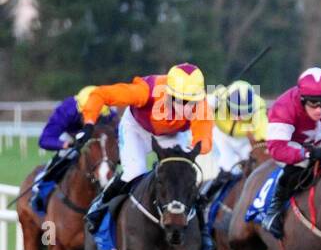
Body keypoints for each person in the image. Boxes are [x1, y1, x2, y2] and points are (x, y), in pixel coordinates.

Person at [83, 63, 212, 233]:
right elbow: (100, 94)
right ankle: (99, 207)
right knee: (134, 172)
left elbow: (203, 140)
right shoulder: (145, 91)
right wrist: (89, 121)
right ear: (168, 94)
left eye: (192, 102)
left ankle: (203, 231)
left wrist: (192, 151)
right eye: (181, 101)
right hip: (137, 129)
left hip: (172, 135)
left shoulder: (201, 104)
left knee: (183, 174)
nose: (188, 108)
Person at [260, 67, 321, 239]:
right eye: (313, 103)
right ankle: (274, 211)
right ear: (301, 99)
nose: (319, 110)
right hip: (291, 144)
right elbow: (277, 149)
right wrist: (307, 154)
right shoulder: (283, 107)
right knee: (300, 164)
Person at [30, 86, 118, 213]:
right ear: (81, 110)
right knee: (66, 155)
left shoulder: (108, 113)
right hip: (71, 137)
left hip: (96, 141)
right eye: (88, 115)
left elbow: (117, 136)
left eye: (96, 116)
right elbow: (45, 139)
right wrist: (67, 144)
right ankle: (42, 190)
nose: (92, 119)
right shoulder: (67, 109)